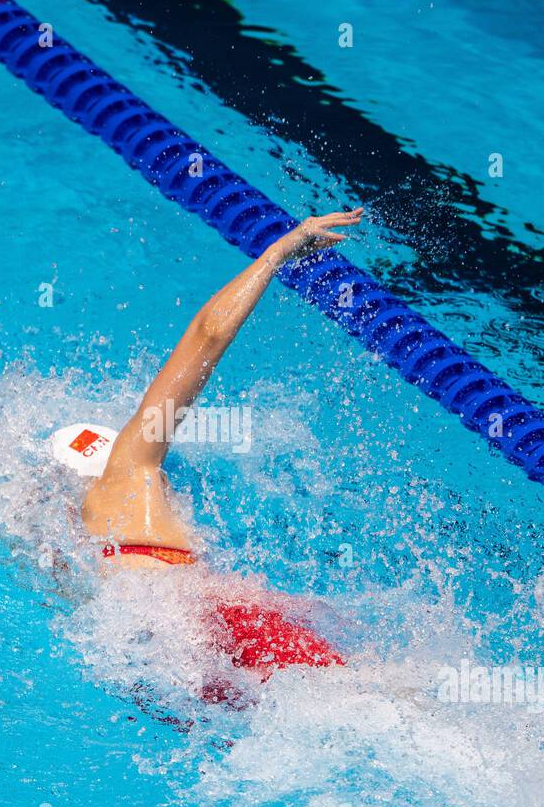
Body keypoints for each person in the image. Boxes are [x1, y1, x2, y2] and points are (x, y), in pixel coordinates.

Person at [49, 209, 363, 693]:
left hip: (162, 664)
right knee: (371, 694)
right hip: (214, 622)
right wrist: (279, 251)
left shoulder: (79, 556)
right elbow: (207, 337)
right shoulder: (131, 468)